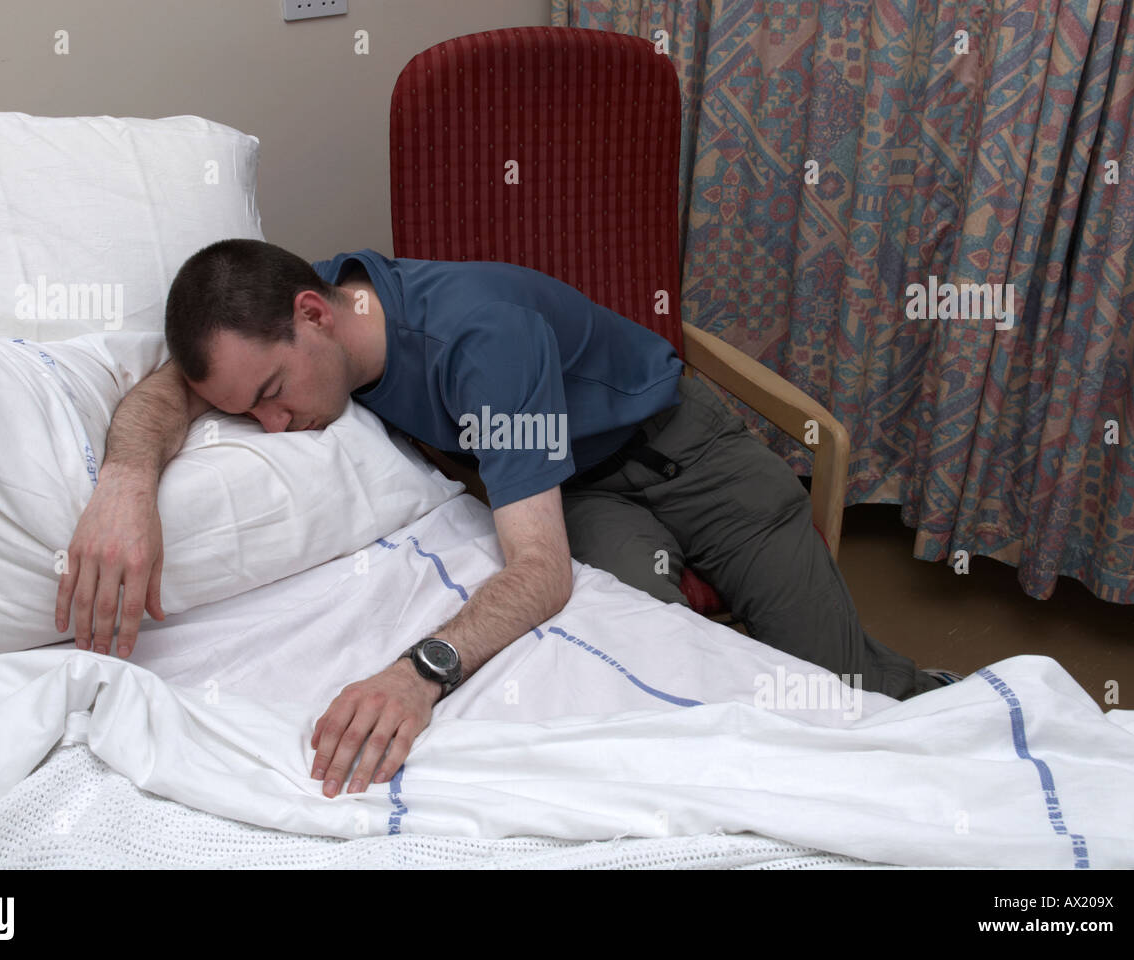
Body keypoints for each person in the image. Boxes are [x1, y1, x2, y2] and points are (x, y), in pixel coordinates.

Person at [54, 239, 947, 799]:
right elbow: (178, 382)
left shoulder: (484, 343)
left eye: (275, 399)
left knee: (852, 694)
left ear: (314, 317)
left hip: (681, 452)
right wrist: (128, 478)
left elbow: (540, 572)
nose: (275, 427)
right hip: (582, 490)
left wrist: (418, 675)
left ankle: (933, 689)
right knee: (661, 667)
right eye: (252, 415)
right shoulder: (300, 302)